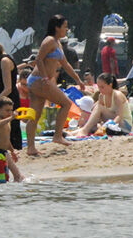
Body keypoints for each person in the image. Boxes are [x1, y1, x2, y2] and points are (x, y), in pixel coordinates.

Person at [24, 15, 86, 151]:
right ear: (56, 27)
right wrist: (46, 78)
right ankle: (57, 136)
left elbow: (65, 64)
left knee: (35, 114)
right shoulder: (49, 41)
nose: (67, 29)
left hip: (37, 81)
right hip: (39, 80)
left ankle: (30, 148)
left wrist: (78, 79)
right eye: (64, 26)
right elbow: (39, 59)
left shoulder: (57, 42)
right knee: (66, 103)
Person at [0, 97, 23, 184]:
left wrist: (12, 151)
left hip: (5, 153)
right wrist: (11, 118)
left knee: (18, 176)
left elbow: (6, 140)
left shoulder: (7, 123)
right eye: (7, 110)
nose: (10, 113)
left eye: (11, 110)